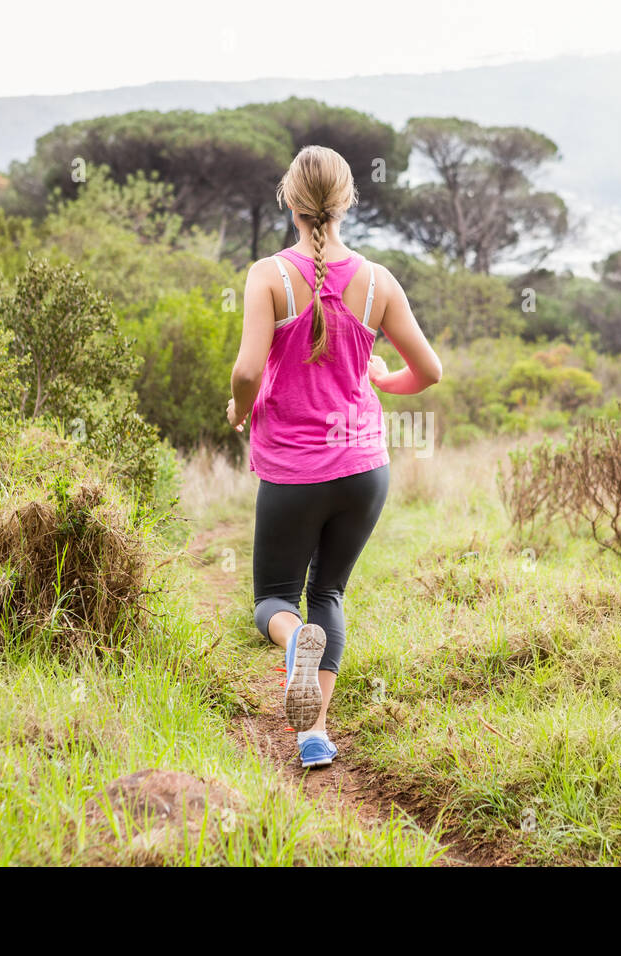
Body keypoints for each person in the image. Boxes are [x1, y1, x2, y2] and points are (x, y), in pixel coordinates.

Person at [226, 145, 443, 769]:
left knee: (274, 599)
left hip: (294, 471)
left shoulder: (269, 275)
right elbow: (428, 372)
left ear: (289, 201)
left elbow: (246, 369)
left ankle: (295, 646)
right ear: (347, 202)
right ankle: (314, 736)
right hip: (364, 470)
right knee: (329, 593)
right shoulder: (379, 282)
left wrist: (240, 409)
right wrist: (378, 377)